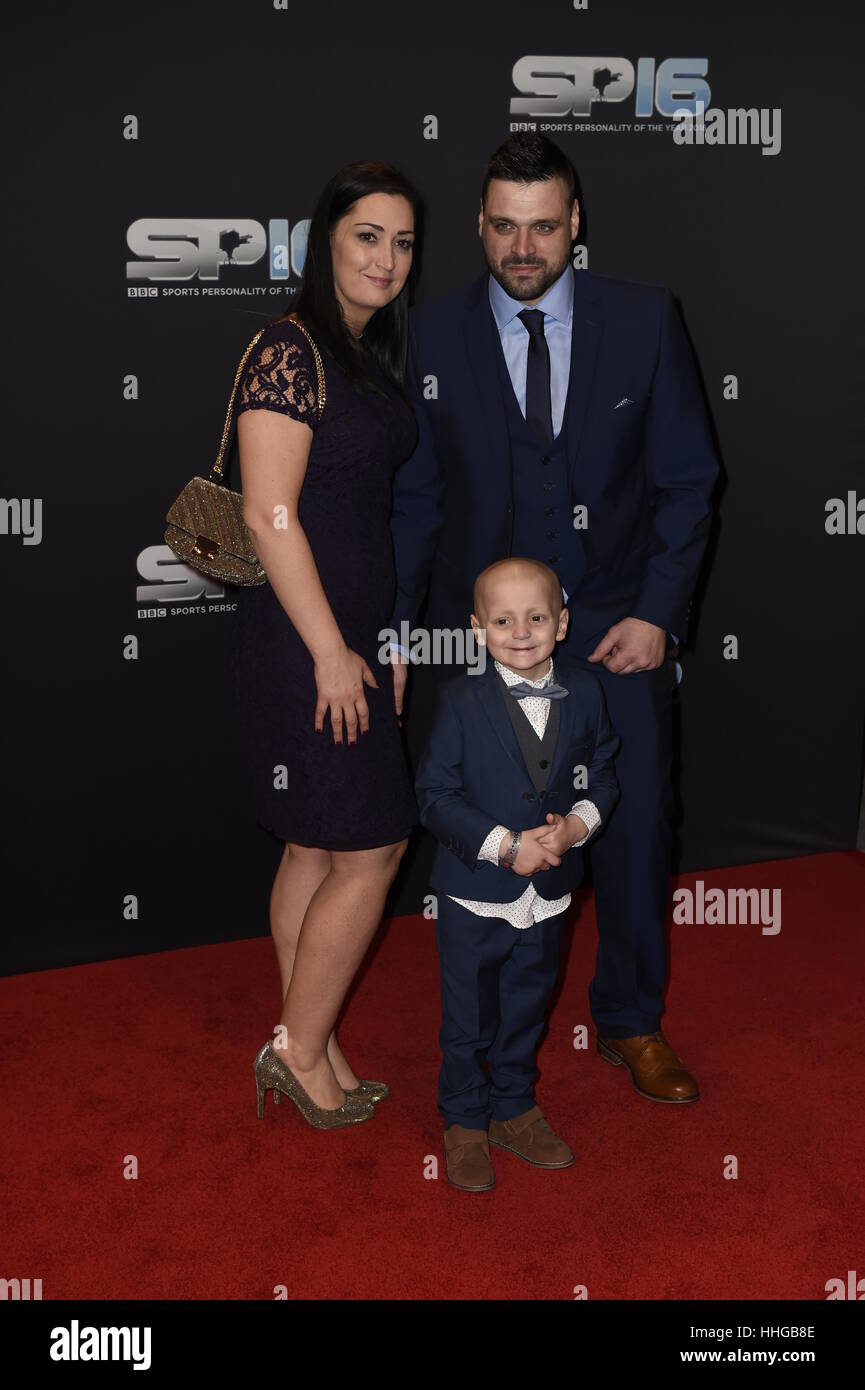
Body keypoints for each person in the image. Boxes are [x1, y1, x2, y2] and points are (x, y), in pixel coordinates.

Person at [391, 132, 719, 1104]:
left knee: (632, 831)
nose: (522, 246)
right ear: (480, 227)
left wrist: (659, 616)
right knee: (488, 837)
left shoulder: (645, 320)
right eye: (503, 226)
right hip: (486, 648)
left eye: (542, 225)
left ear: (574, 223)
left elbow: (689, 483)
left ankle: (630, 1018)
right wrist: (397, 631)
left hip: (617, 631)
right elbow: (413, 498)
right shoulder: (435, 333)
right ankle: (481, 1043)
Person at [227, 161, 424, 1129]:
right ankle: (299, 1050)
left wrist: (380, 639)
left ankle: (307, 1037)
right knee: (373, 843)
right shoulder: (289, 347)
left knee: (314, 842)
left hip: (347, 634)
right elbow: (269, 517)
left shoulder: (355, 354)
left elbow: (362, 516)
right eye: (365, 235)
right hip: (301, 641)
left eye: (402, 241)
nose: (386, 258)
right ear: (325, 242)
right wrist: (329, 651)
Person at [415, 558, 619, 1190]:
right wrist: (506, 847)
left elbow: (604, 775)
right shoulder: (459, 699)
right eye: (503, 620)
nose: (521, 631)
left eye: (536, 617)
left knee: (529, 1003)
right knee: (469, 1014)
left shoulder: (586, 691)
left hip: (552, 891)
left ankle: (514, 1106)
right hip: (477, 893)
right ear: (478, 630)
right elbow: (435, 796)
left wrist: (578, 826)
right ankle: (465, 1120)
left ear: (561, 623)